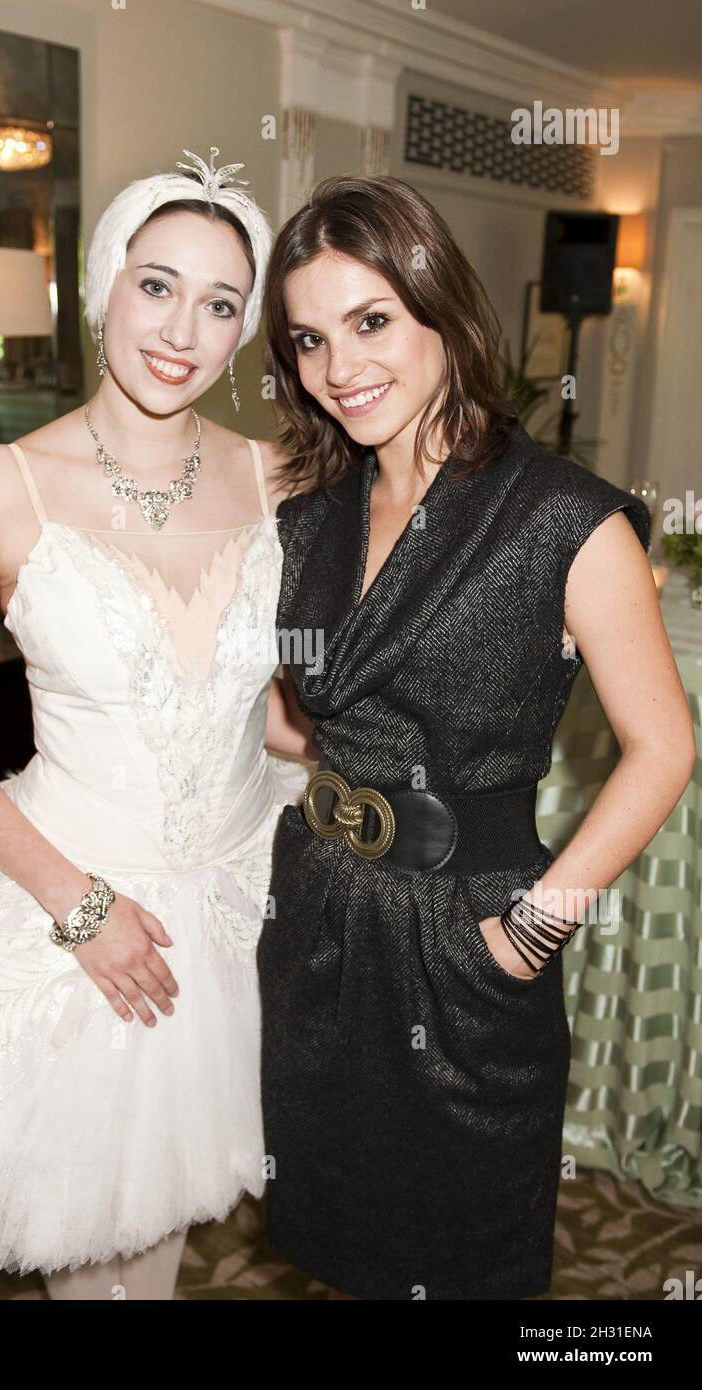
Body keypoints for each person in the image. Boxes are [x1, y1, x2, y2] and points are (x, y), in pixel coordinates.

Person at [0, 147, 311, 1301]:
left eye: (219, 303)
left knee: (171, 1226)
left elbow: (283, 712)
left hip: (257, 897)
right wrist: (78, 906)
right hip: (78, 893)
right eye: (156, 286)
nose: (182, 330)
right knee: (101, 1255)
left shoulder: (285, 479)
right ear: (102, 286)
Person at [256, 174, 696, 1301]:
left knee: (463, 1253)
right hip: (320, 917)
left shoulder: (561, 515)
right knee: (338, 1233)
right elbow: (305, 720)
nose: (338, 366)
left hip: (471, 932)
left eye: (371, 322)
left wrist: (529, 934)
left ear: (442, 311)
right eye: (308, 337)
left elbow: (664, 747)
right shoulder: (310, 514)